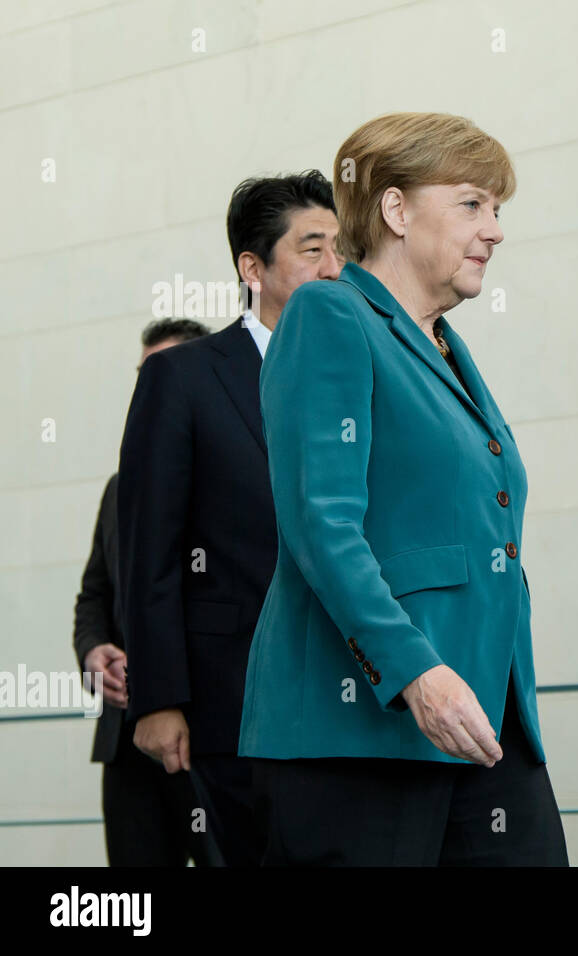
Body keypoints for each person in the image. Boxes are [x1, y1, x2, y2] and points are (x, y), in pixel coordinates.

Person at [241, 112, 568, 866]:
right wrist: (415, 672)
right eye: (472, 204)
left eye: (498, 209)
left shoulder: (446, 347)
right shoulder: (330, 314)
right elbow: (322, 525)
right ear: (395, 210)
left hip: (484, 722)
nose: (494, 230)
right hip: (361, 733)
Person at [116, 172, 344, 866]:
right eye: (312, 250)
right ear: (254, 267)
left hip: (352, 696)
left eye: (341, 248)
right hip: (233, 702)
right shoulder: (183, 377)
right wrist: (157, 700)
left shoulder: (357, 374)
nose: (335, 268)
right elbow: (148, 548)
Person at [74, 318, 219, 867]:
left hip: (207, 737)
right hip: (126, 745)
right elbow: (93, 597)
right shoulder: (118, 490)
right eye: (141, 375)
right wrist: (94, 653)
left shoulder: (232, 473)